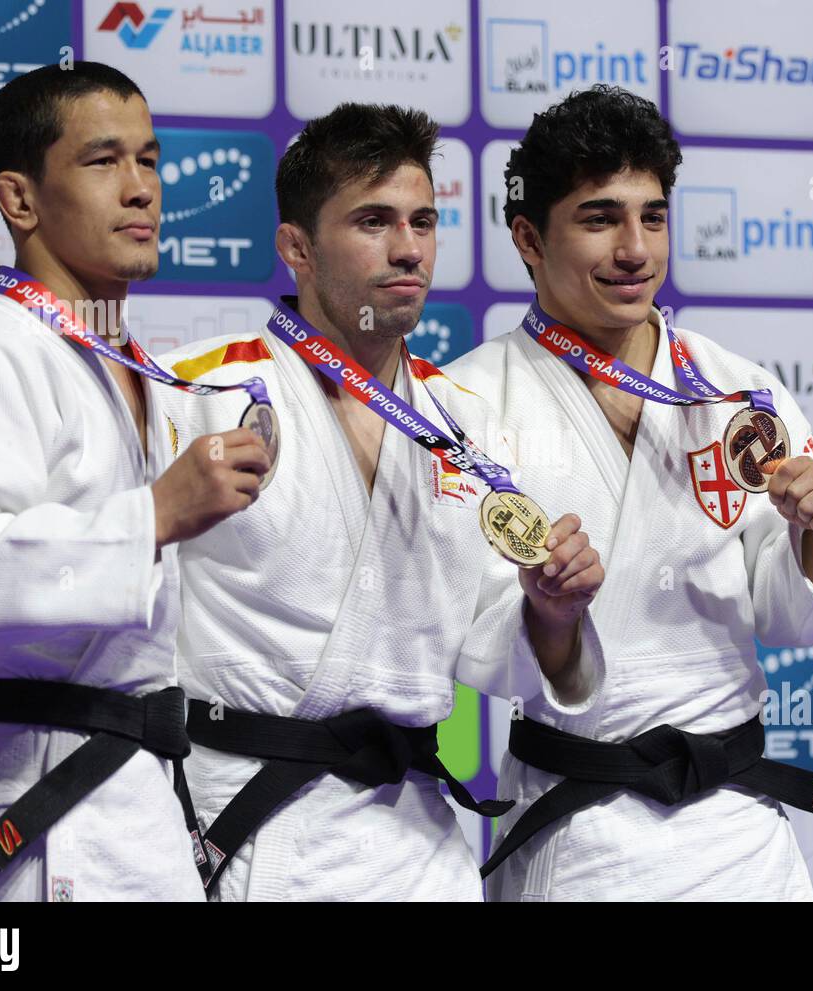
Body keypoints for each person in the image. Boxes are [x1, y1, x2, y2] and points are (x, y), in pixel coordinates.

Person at [440, 86, 813, 901]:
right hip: (582, 830)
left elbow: (784, 615)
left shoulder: (738, 393)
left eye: (653, 217)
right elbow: (464, 632)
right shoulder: (464, 405)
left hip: (739, 830)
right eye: (601, 218)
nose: (634, 249)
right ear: (529, 238)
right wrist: (550, 614)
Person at [157, 102, 605, 900]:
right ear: (296, 246)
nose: (408, 249)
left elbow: (496, 648)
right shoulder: (194, 392)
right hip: (249, 833)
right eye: (373, 221)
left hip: (416, 841)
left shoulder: (466, 421)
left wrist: (551, 609)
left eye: (423, 221)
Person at [0, 62, 268, 901]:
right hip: (29, 815)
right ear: (20, 200)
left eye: (151, 161)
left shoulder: (141, 373)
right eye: (103, 161)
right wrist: (153, 515)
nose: (141, 190)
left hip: (141, 809)